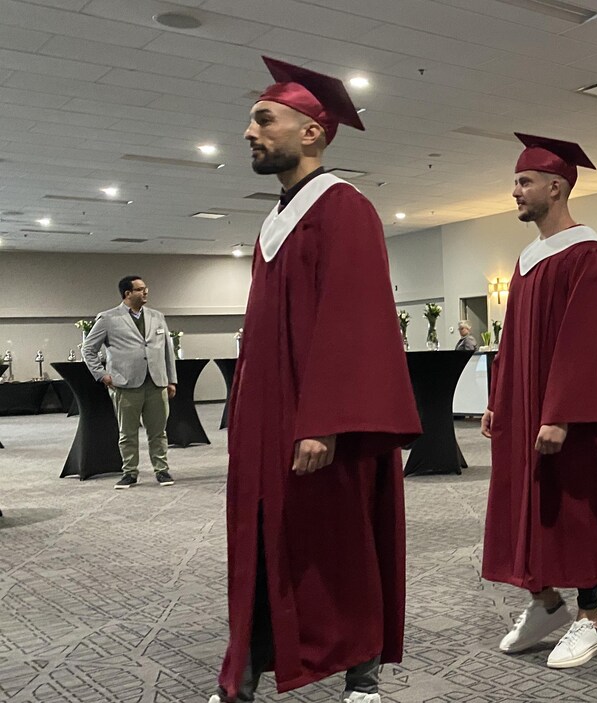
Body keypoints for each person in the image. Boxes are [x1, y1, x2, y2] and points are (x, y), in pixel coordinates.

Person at [210, 57, 422, 703]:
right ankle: (244, 667)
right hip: (265, 422)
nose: (248, 130)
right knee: (260, 538)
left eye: (263, 118)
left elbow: (353, 322)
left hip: (322, 423)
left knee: (341, 540)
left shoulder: (345, 208)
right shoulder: (272, 224)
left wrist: (324, 420)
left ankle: (362, 672)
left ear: (310, 132)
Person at [481, 134, 597, 669]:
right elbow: (513, 339)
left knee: (577, 506)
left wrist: (561, 413)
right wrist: (499, 399)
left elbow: (586, 344)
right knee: (526, 504)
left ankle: (591, 619)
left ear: (557, 187)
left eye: (524, 182)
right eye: (516, 182)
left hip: (567, 418)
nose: (515, 192)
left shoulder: (590, 258)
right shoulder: (527, 261)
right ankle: (545, 604)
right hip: (524, 411)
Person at [82, 275, 178, 489]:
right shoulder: (108, 318)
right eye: (140, 289)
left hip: (156, 383)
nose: (146, 292)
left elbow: (167, 351)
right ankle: (129, 472)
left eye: (146, 288)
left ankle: (161, 470)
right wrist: (101, 374)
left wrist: (171, 380)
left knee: (158, 431)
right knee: (128, 433)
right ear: (128, 294)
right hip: (125, 384)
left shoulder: (157, 317)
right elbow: (87, 349)